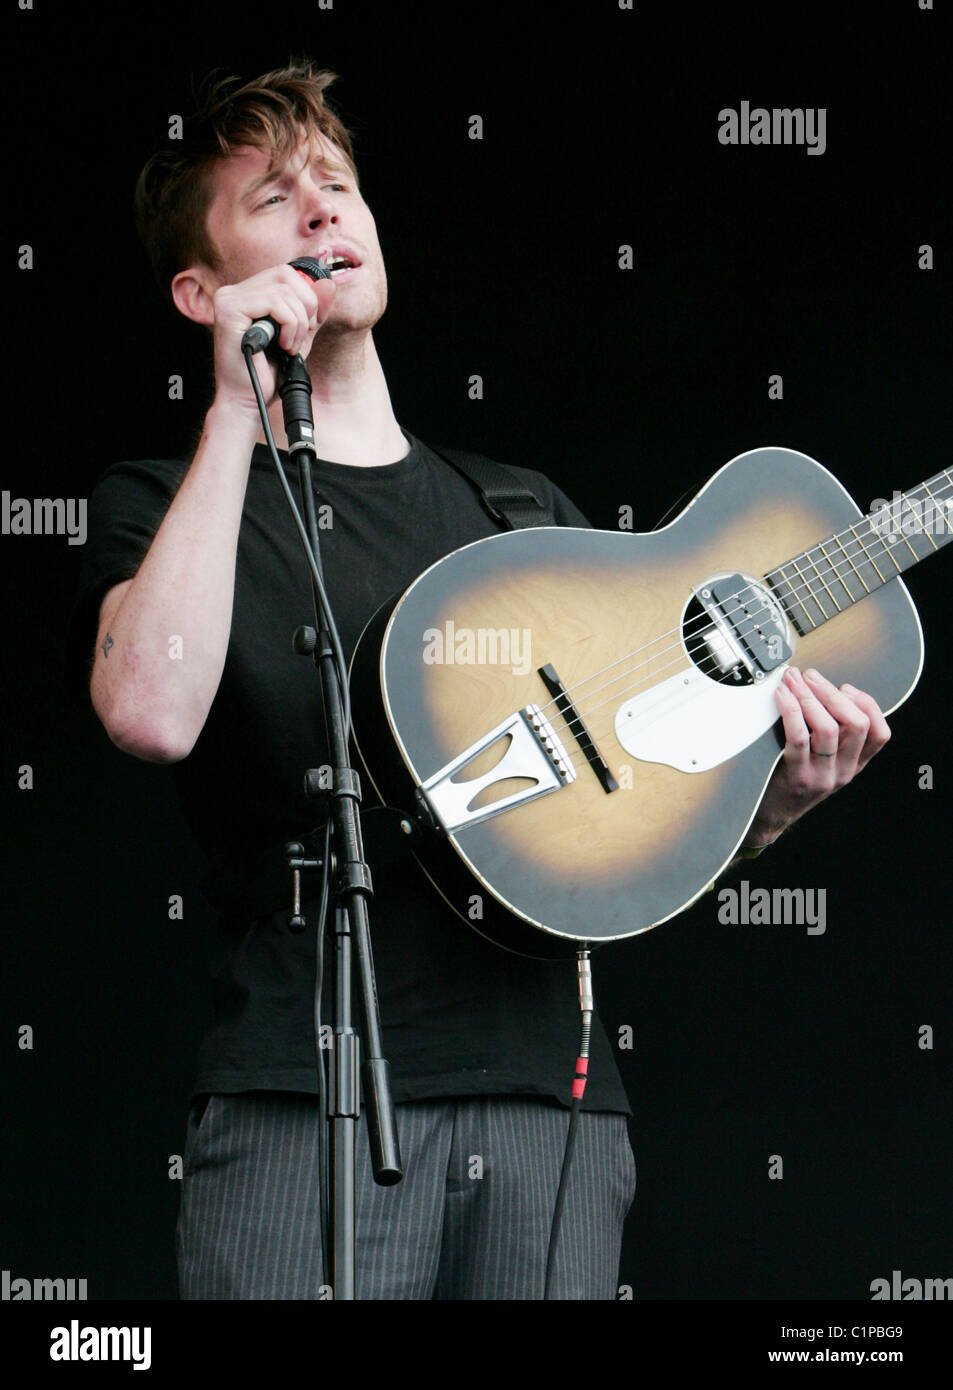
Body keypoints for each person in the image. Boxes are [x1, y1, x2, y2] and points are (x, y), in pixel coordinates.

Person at [67, 61, 891, 1300]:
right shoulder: (167, 504)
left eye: (337, 184)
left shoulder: (521, 521)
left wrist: (773, 808)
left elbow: (631, 835)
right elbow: (149, 711)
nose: (322, 211)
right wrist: (236, 412)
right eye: (275, 196)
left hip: (547, 1113)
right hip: (306, 1101)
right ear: (200, 286)